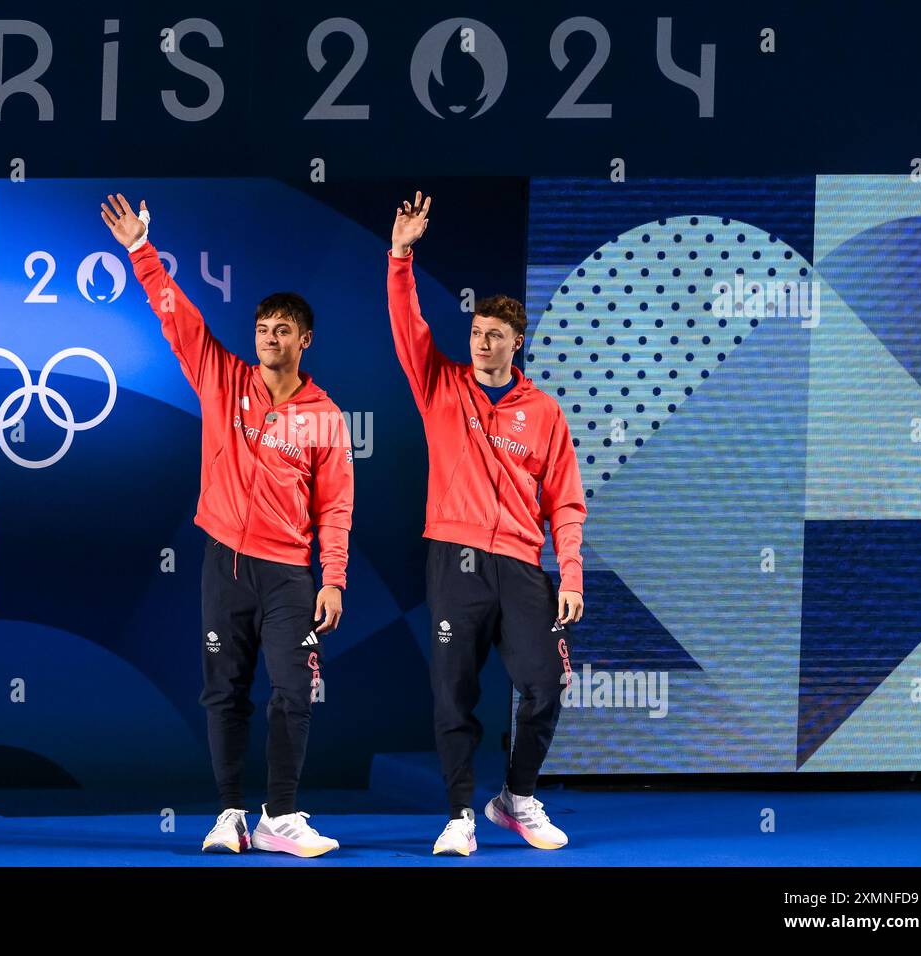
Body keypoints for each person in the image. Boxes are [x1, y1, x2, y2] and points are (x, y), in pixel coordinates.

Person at [100, 194, 354, 858]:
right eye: (263, 327)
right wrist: (139, 249)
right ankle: (229, 815)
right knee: (224, 692)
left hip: (289, 576)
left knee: (293, 693)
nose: (269, 338)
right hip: (224, 564)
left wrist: (333, 581)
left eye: (283, 330)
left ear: (305, 341)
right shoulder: (222, 379)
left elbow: (335, 506)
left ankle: (282, 818)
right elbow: (177, 318)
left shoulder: (325, 415)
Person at [386, 191, 587, 856]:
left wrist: (572, 575)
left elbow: (566, 502)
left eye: (495, 335)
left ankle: (516, 798)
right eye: (475, 333)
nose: (481, 342)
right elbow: (408, 324)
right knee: (455, 694)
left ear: (517, 343)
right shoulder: (439, 385)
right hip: (455, 558)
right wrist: (401, 254)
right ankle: (458, 816)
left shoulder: (545, 412)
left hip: (523, 566)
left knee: (544, 684)